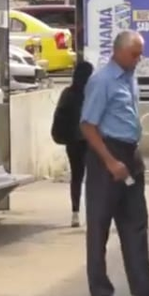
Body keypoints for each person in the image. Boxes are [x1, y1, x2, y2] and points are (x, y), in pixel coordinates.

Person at [80, 31, 149, 296]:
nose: (139, 59)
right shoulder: (102, 81)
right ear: (118, 51)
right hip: (107, 153)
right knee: (100, 223)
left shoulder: (129, 78)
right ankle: (100, 289)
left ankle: (143, 284)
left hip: (131, 152)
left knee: (136, 220)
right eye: (134, 54)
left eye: (140, 54)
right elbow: (88, 125)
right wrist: (110, 161)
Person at [52, 60, 94, 227]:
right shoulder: (92, 93)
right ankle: (93, 212)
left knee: (76, 176)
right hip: (91, 140)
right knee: (93, 177)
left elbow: (60, 115)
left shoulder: (68, 93)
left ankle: (75, 213)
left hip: (73, 140)